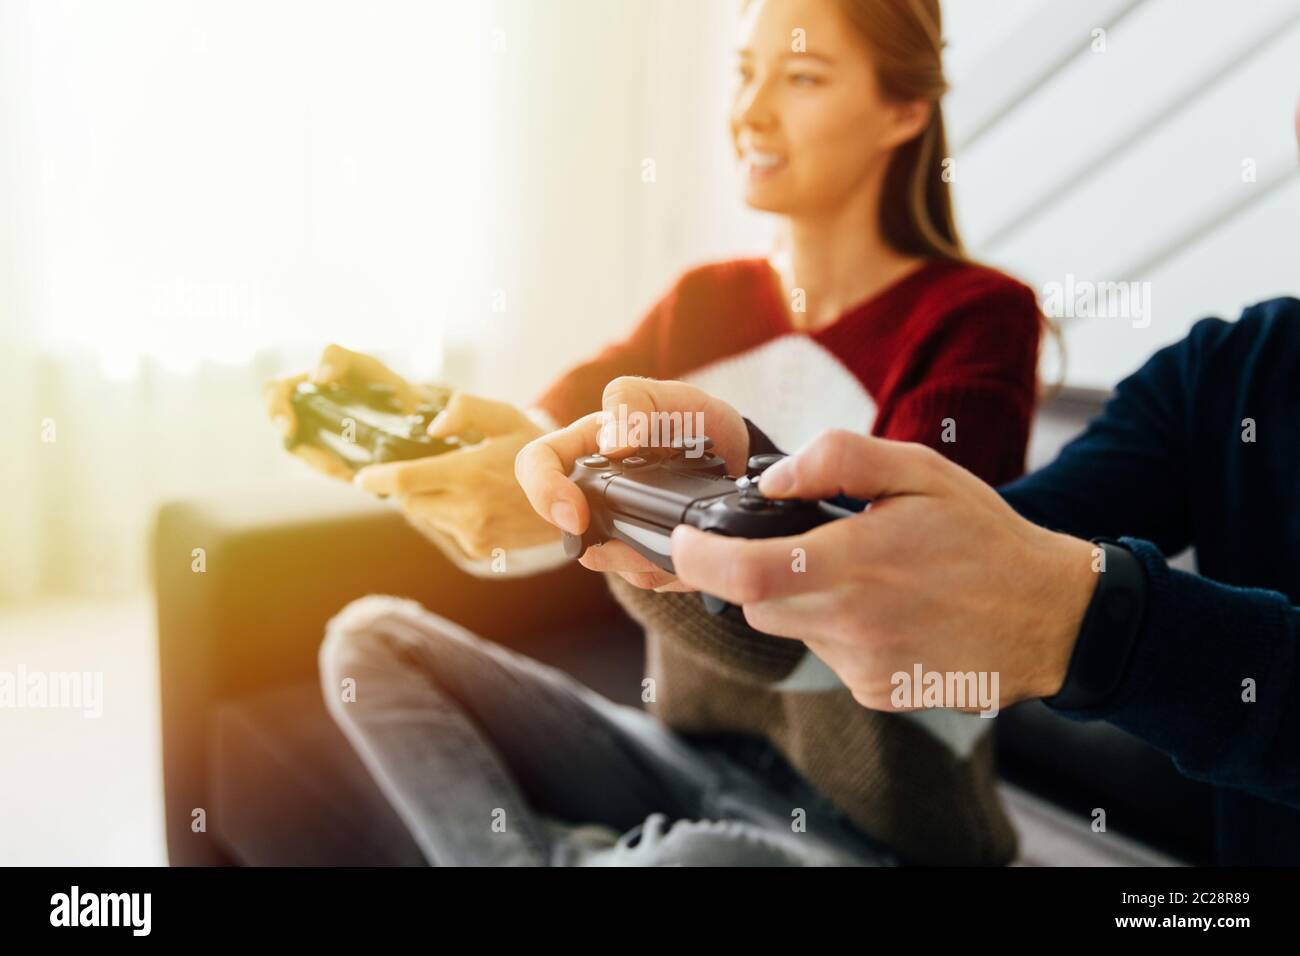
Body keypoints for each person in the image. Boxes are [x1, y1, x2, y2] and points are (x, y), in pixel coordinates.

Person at [279, 0, 1047, 865]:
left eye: (800, 78)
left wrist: (600, 509)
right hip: (680, 757)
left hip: (877, 830)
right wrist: (418, 431)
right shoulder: (705, 301)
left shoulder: (977, 318)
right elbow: (546, 434)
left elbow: (880, 599)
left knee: (691, 862)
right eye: (744, 73)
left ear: (903, 112)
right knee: (369, 642)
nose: (750, 111)